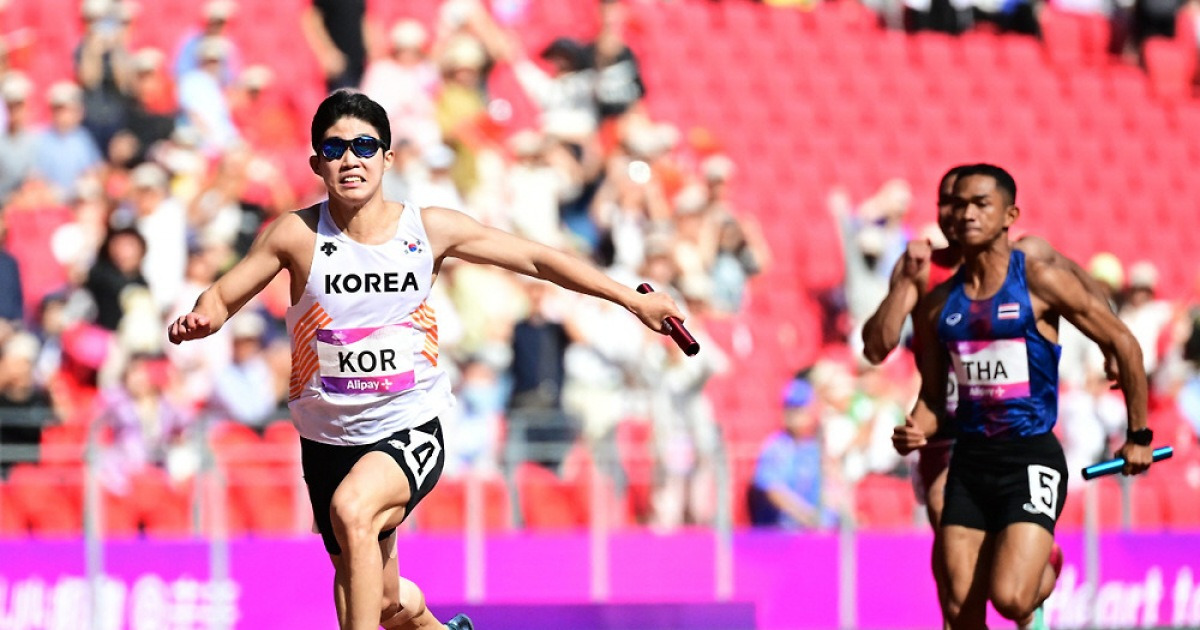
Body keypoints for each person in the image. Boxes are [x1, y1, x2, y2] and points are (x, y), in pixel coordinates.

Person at [167, 90, 684, 630]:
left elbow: (535, 258)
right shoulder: (296, 235)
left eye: (365, 146)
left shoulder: (428, 229)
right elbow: (222, 296)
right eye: (336, 148)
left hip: (408, 425)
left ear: (388, 158)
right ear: (317, 163)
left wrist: (631, 298)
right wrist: (203, 317)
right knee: (383, 603)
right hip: (327, 441)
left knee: (353, 510)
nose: (351, 159)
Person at [892, 164, 1155, 630]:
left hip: (1029, 459)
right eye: (959, 205)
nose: (967, 214)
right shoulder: (937, 305)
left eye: (981, 204)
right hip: (969, 463)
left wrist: (1139, 435)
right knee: (959, 609)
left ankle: (1045, 564)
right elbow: (933, 400)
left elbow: (1124, 342)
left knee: (1012, 599)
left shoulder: (1038, 280)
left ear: (1009, 215)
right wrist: (916, 429)